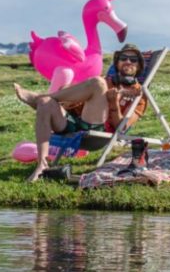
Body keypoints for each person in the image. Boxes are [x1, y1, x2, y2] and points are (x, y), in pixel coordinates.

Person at [14, 43, 148, 182]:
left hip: (98, 132)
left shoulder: (139, 95)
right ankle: (41, 165)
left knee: (97, 83)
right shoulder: (106, 81)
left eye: (133, 60)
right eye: (123, 58)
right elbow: (78, 105)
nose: (128, 61)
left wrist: (114, 103)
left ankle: (38, 98)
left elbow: (122, 127)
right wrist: (68, 101)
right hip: (75, 123)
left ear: (139, 66)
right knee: (45, 103)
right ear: (117, 63)